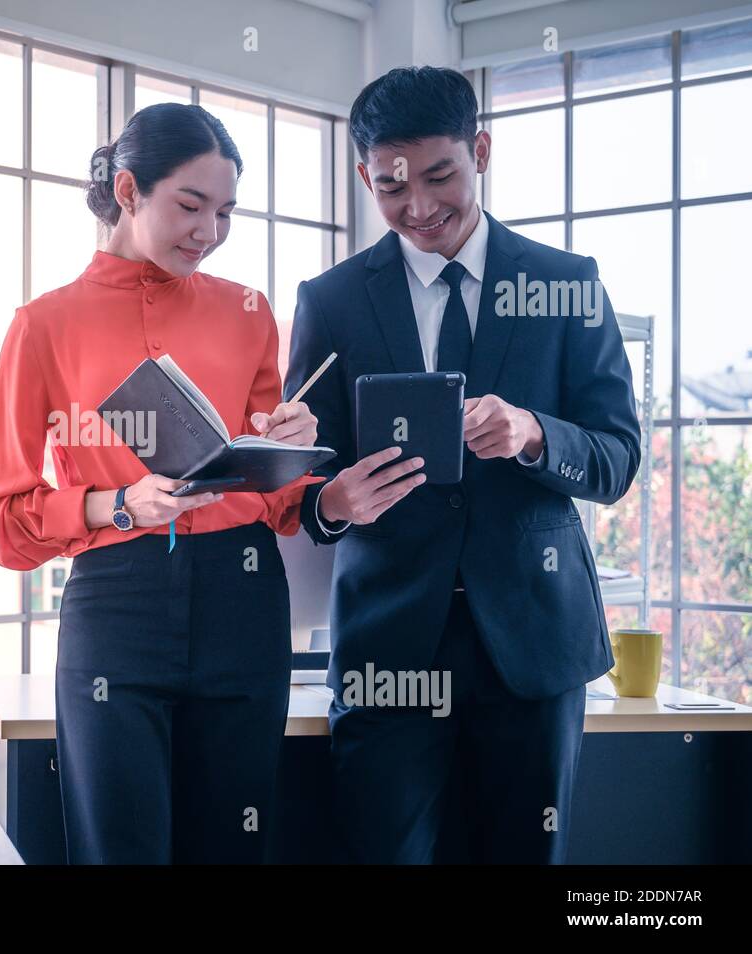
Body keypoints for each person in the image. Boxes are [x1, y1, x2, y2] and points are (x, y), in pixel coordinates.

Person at [285, 66, 641, 863]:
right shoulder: (331, 300)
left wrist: (534, 433)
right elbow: (304, 483)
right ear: (362, 176)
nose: (418, 209)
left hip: (533, 645)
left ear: (480, 149)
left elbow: (617, 460)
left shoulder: (566, 284)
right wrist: (333, 500)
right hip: (387, 646)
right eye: (390, 187)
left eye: (441, 175)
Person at [0, 103, 322, 863]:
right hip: (116, 601)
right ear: (128, 191)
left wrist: (290, 446)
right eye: (190, 205)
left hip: (244, 594)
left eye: (225, 211)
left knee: (234, 848)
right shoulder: (44, 325)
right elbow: (2, 518)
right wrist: (118, 504)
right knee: (118, 848)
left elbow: (283, 503)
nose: (210, 230)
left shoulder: (248, 312)